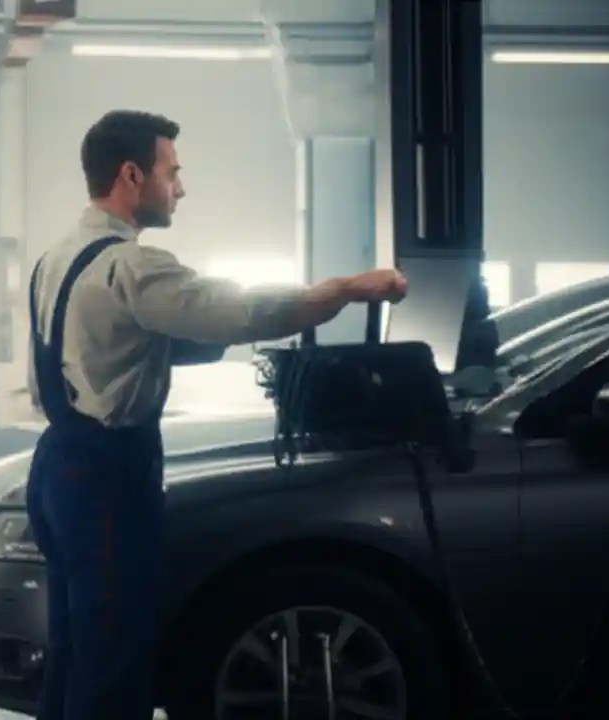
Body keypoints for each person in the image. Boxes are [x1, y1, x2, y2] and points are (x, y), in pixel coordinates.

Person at [24, 110, 409, 720]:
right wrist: (344, 289)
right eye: (171, 172)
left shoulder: (58, 258)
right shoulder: (133, 265)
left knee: (75, 649)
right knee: (116, 659)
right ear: (131, 174)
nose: (181, 187)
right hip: (106, 473)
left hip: (56, 467)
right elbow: (238, 312)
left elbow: (119, 343)